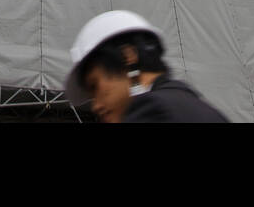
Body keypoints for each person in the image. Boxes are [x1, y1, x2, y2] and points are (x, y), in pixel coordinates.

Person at [66, 10, 228, 123]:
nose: (96, 106)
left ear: (128, 57)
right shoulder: (193, 104)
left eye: (95, 86)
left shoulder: (152, 111)